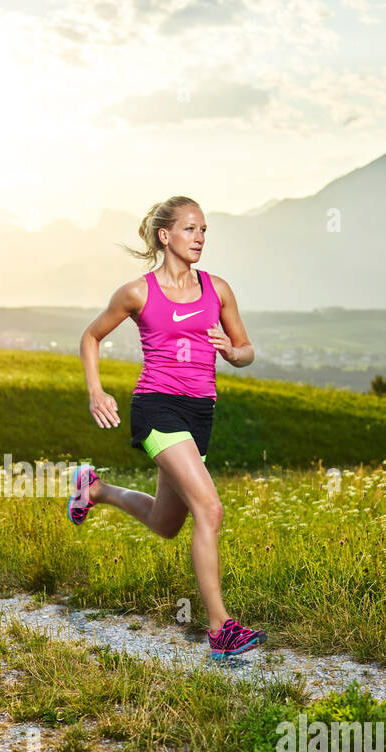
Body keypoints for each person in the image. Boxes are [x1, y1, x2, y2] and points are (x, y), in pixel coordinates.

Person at [70, 196, 267, 659]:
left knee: (165, 522)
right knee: (210, 509)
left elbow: (246, 349)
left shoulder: (217, 290)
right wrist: (96, 392)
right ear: (166, 236)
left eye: (204, 230)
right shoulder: (137, 292)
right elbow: (91, 336)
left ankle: (94, 489)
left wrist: (231, 352)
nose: (199, 238)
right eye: (190, 229)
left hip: (201, 414)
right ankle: (221, 629)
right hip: (157, 408)